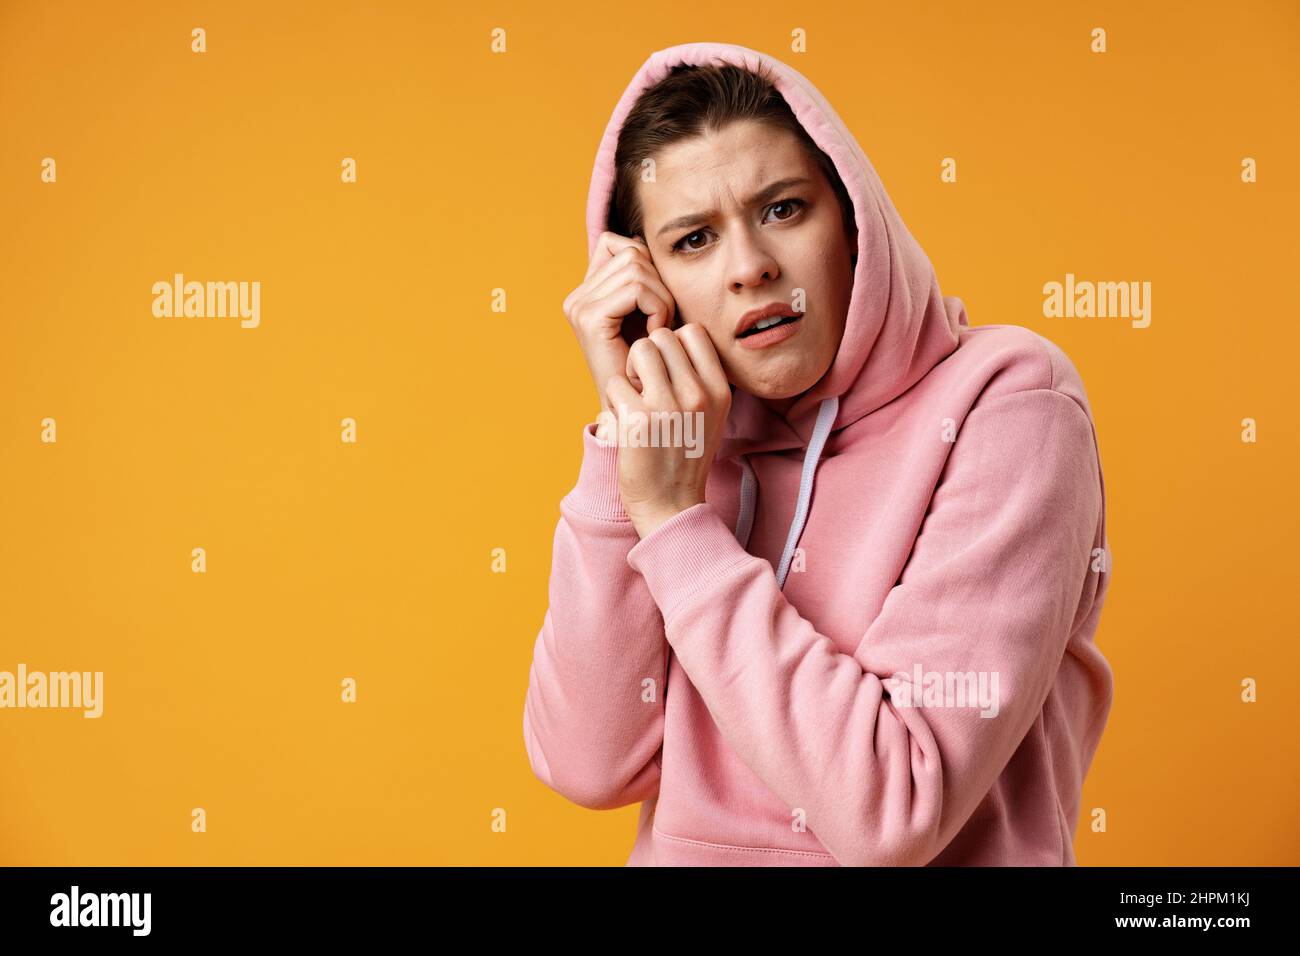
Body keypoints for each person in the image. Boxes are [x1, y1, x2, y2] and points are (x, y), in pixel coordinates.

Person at [523, 41, 1114, 866]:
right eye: (694, 240)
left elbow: (893, 810)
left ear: (851, 220)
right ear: (647, 285)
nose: (751, 269)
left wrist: (679, 527)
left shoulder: (1010, 404)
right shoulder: (682, 452)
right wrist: (632, 431)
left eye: (782, 209)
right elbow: (587, 763)